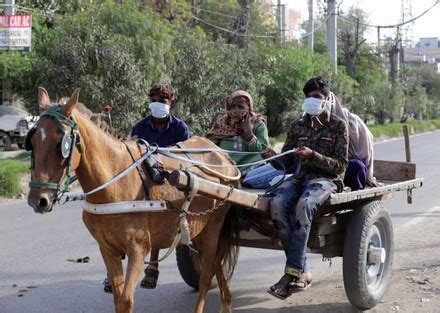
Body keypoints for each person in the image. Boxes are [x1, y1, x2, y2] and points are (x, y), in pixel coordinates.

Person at [262, 77, 349, 299]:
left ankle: (290, 273)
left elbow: (340, 165)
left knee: (304, 204)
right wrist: (273, 157)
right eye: (308, 97)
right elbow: (288, 162)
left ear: (327, 99)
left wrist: (313, 155)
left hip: (326, 179)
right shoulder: (297, 125)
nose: (311, 101)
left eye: (316, 97)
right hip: (300, 176)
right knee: (276, 203)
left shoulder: (339, 126)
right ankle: (302, 271)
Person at [103, 83, 190, 293]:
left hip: (169, 181)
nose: (157, 104)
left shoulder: (180, 128)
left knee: (156, 218)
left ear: (172, 103)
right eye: (154, 100)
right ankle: (112, 273)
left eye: (162, 101)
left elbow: (185, 160)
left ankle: (153, 266)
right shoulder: (140, 127)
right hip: (141, 179)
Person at [207, 90, 269, 175]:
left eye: (240, 107)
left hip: (250, 165)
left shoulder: (258, 124)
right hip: (225, 166)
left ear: (249, 107)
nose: (236, 110)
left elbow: (262, 151)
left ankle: (244, 177)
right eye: (233, 106)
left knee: (266, 163)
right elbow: (210, 146)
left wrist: (249, 133)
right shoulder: (222, 124)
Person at [327, 92, 376, 190]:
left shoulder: (350, 120)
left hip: (344, 165)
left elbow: (366, 146)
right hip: (322, 166)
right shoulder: (307, 122)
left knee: (356, 167)